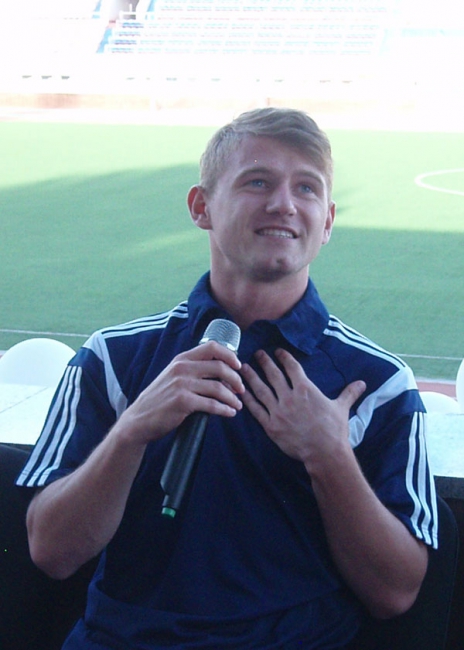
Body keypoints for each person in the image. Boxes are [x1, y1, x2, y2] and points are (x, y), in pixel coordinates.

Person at [17, 107, 437, 649]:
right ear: (201, 207)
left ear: (328, 221)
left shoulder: (378, 383)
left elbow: (396, 592)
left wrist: (329, 455)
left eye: (306, 188)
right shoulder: (112, 358)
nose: (284, 204)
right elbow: (51, 552)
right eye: (257, 181)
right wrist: (132, 431)